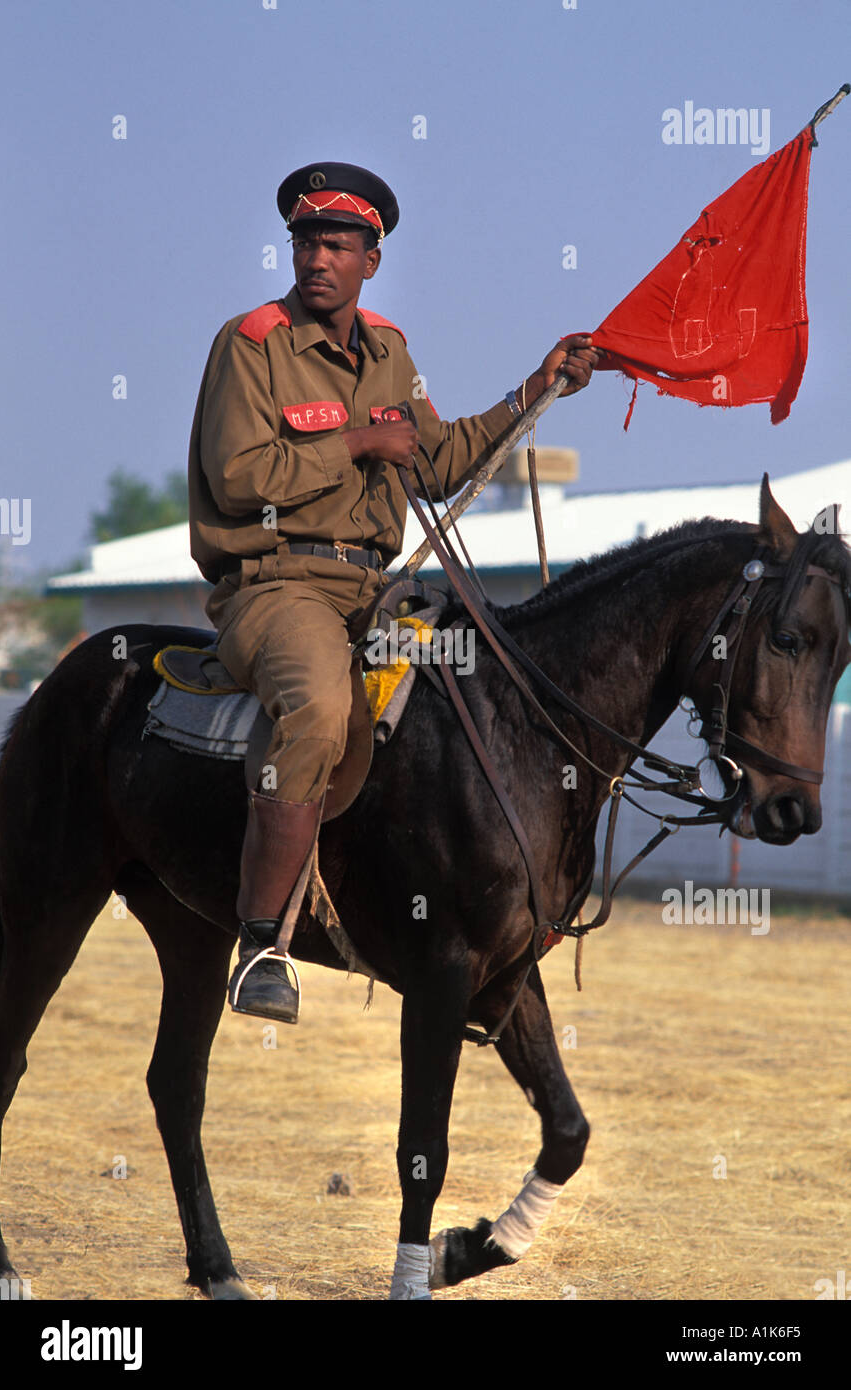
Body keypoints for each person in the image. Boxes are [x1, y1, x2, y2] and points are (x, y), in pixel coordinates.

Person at [187, 161, 598, 1025]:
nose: (317, 259)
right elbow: (236, 479)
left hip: (376, 588)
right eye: (306, 240)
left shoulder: (391, 353)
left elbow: (441, 461)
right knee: (321, 711)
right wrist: (358, 446)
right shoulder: (252, 344)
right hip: (275, 586)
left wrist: (538, 383)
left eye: (337, 244)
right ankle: (262, 940)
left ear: (372, 259)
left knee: (478, 690)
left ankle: (470, 924)